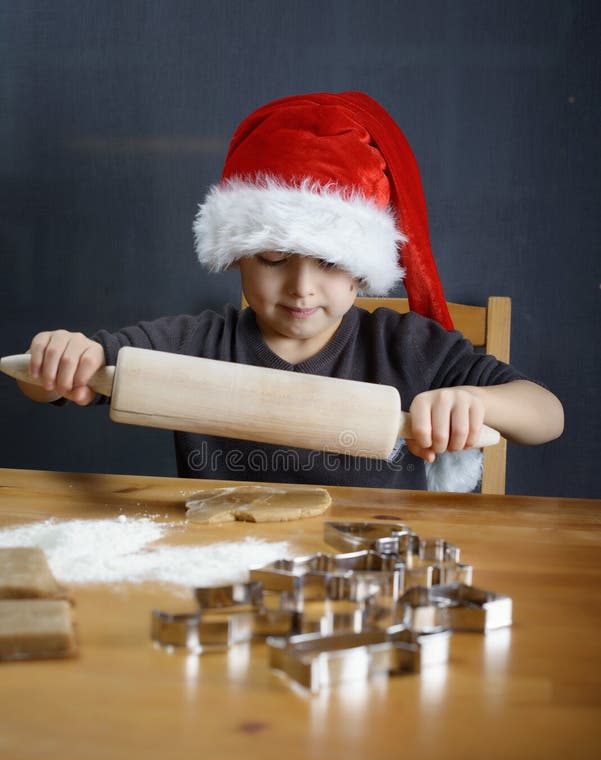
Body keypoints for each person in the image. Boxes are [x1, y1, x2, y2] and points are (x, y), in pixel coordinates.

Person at [17, 91, 563, 492]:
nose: (301, 287)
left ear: (361, 270)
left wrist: (476, 401)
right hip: (222, 561)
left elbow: (547, 415)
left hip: (370, 572)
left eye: (330, 263)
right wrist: (63, 359)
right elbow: (67, 383)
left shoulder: (404, 348)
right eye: (274, 259)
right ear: (236, 256)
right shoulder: (196, 345)